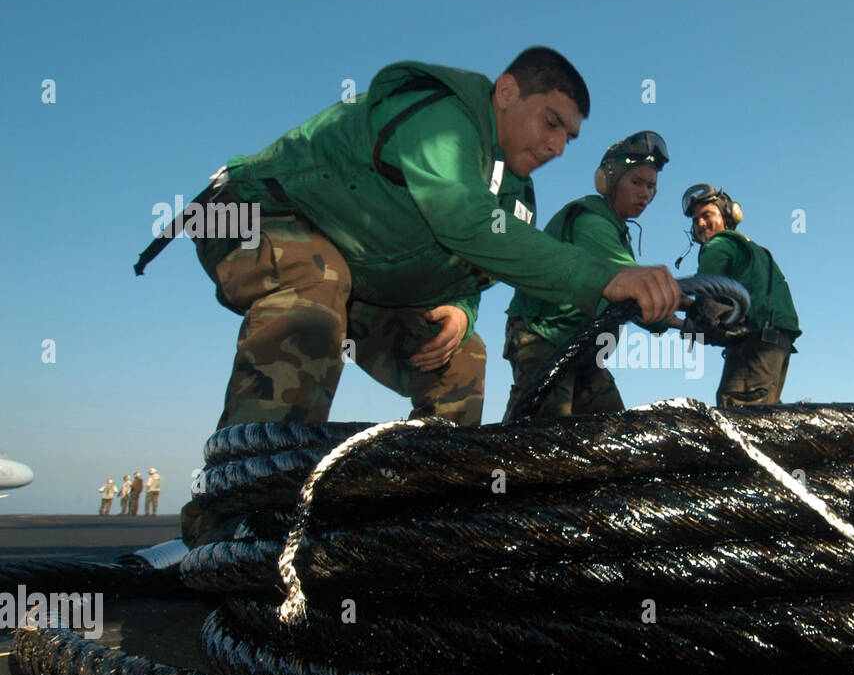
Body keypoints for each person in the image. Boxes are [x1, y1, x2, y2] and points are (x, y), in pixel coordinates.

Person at [168, 47, 680, 432]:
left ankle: (420, 506)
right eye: (550, 122)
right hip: (247, 211)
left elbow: (479, 264)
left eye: (568, 137)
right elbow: (467, 223)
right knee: (315, 280)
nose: (556, 146)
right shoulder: (444, 117)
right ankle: (244, 509)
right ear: (505, 93)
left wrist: (462, 308)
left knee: (463, 353)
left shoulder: (518, 193)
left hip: (357, 277)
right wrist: (606, 276)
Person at [503, 131, 680, 419]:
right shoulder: (591, 221)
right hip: (542, 336)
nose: (645, 194)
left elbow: (642, 303)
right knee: (543, 431)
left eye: (651, 186)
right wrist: (692, 312)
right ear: (607, 180)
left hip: (581, 346)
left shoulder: (616, 230)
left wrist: (688, 323)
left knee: (612, 430)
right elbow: (642, 291)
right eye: (636, 182)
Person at [681, 184, 801, 406]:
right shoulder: (750, 249)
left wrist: (690, 318)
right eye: (695, 220)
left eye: (707, 215)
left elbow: (704, 292)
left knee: (736, 408)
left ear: (728, 215)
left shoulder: (719, 244)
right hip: (776, 341)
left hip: (756, 342)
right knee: (764, 414)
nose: (700, 224)